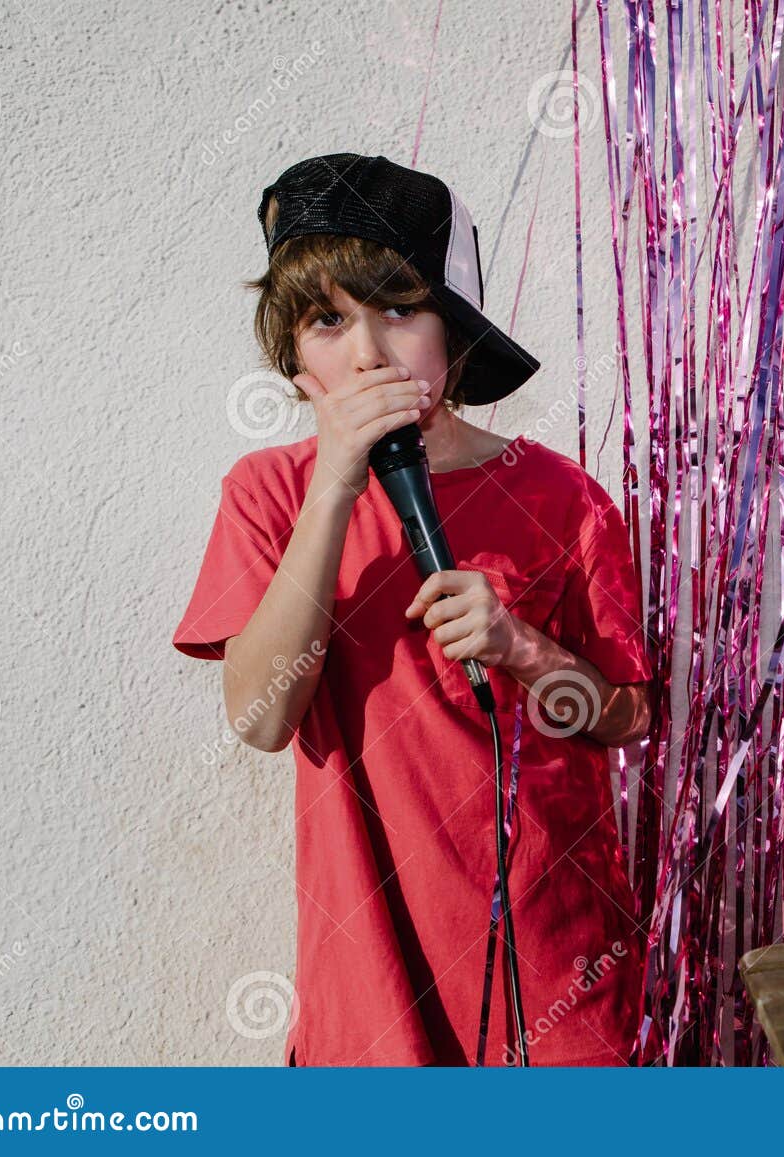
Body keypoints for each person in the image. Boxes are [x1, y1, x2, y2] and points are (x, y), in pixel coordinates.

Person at [172, 153, 654, 1066]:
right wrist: (335, 486)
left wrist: (522, 647)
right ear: (294, 356)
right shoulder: (269, 495)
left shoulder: (565, 499)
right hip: (374, 994)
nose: (367, 352)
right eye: (327, 320)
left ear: (453, 331)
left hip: (557, 979)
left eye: (399, 308)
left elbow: (625, 715)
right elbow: (261, 715)